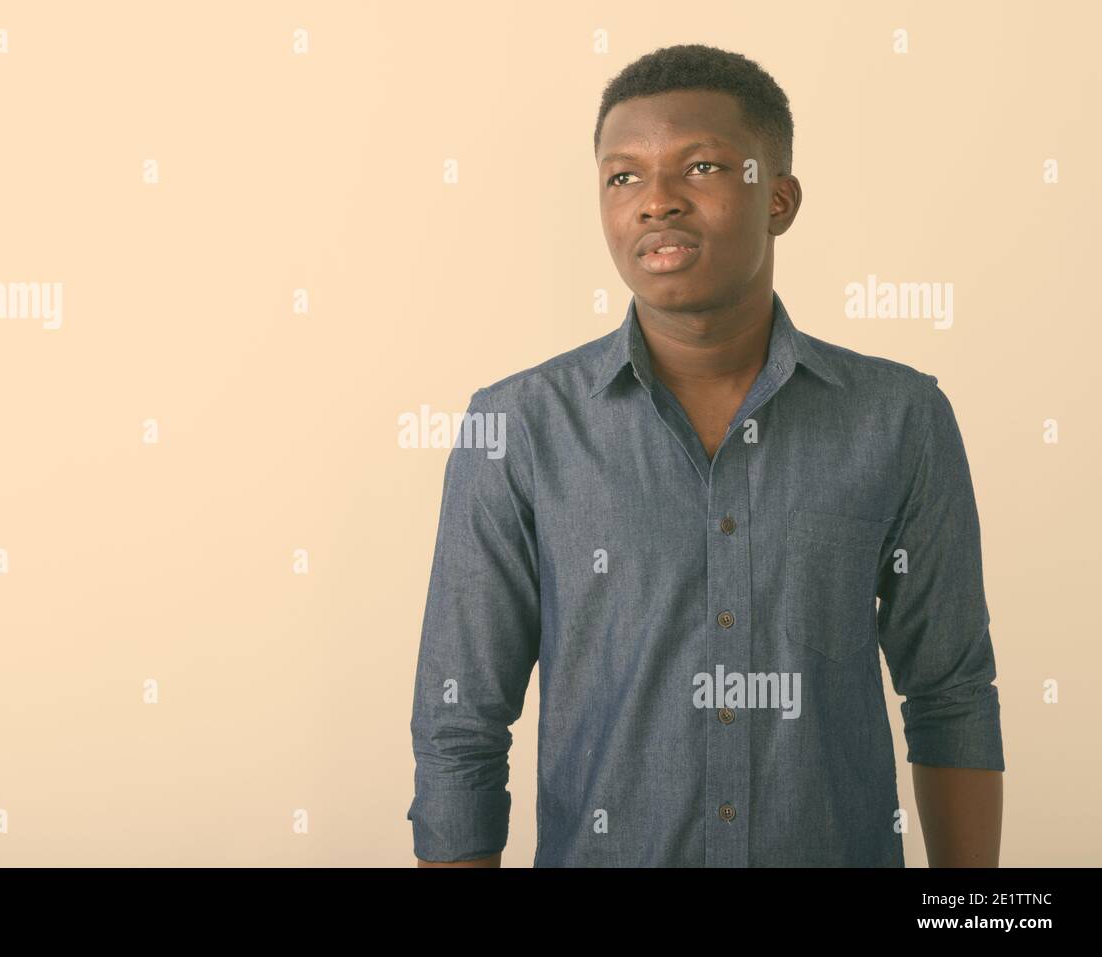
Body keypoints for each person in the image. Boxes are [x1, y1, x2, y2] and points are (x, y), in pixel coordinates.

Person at [406, 43, 1003, 867]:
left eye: (702, 167)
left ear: (780, 200)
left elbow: (952, 694)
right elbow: (460, 724)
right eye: (623, 178)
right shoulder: (513, 428)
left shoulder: (901, 420)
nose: (656, 202)